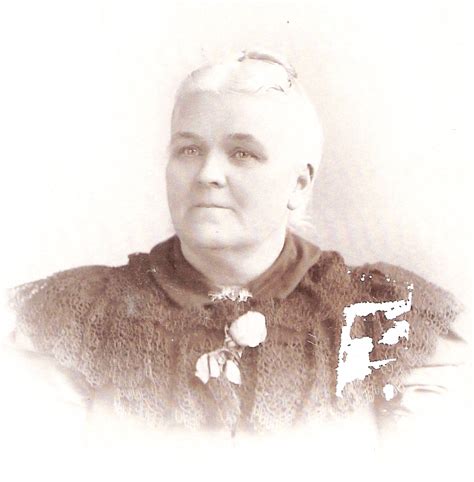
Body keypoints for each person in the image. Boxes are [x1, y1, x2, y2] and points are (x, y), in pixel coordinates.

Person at [3, 50, 468, 453]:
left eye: (243, 153)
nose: (208, 174)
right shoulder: (80, 318)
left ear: (299, 185)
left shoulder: (381, 317)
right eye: (188, 150)